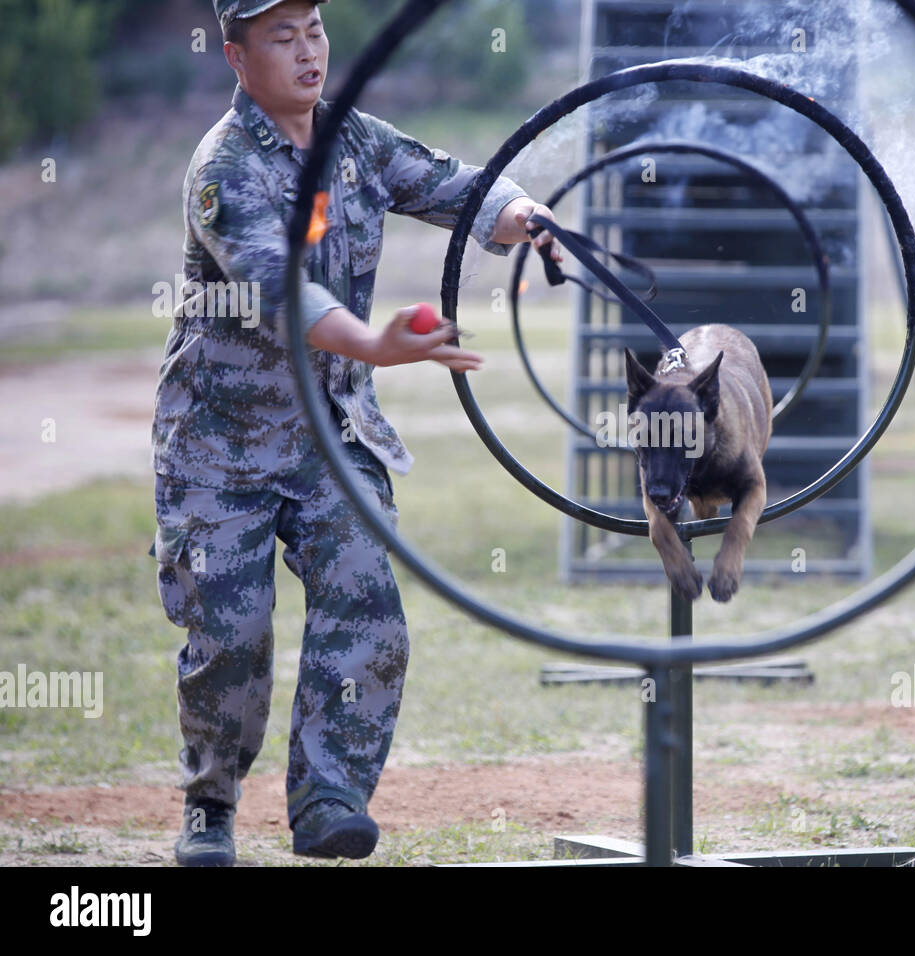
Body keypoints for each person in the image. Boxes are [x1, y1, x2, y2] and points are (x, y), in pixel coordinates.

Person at [151, 0, 562, 866]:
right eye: (280, 36)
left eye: (315, 30)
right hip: (218, 449)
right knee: (231, 636)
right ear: (234, 55)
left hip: (331, 437)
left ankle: (330, 798)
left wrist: (522, 214)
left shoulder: (357, 139)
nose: (307, 53)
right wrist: (377, 343)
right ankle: (210, 806)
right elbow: (279, 288)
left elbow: (454, 183)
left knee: (367, 609)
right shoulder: (224, 170)